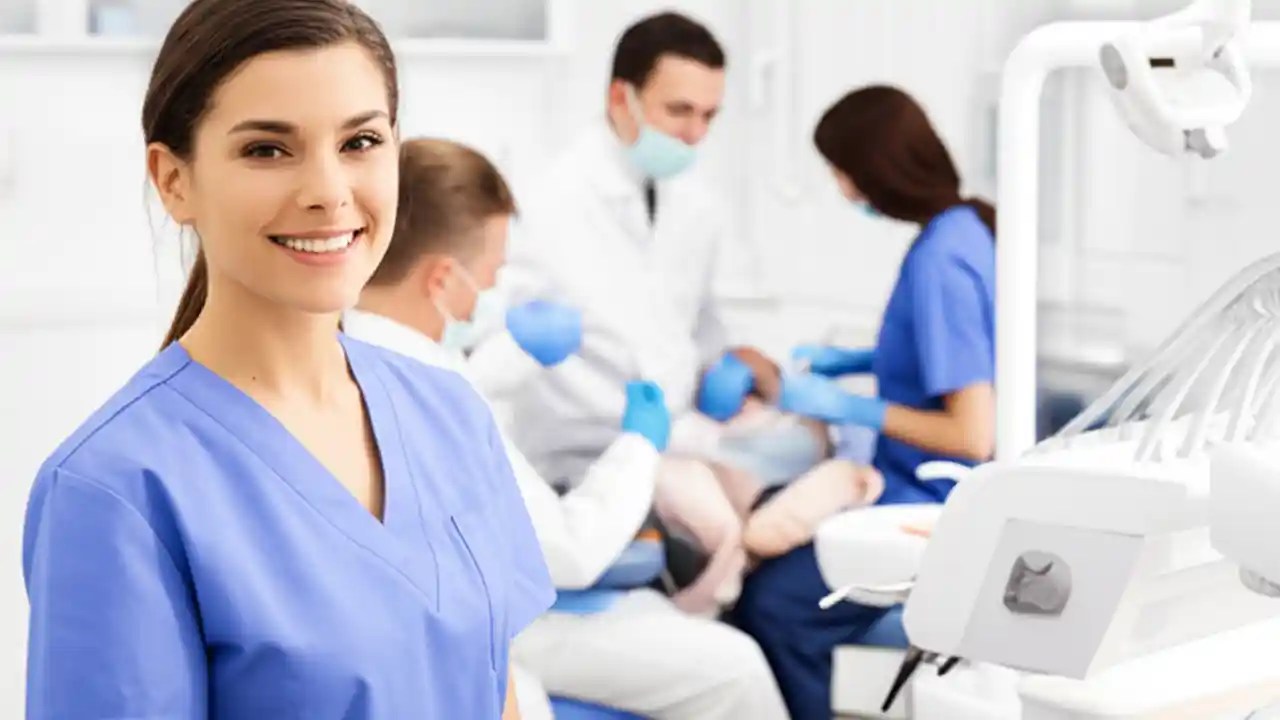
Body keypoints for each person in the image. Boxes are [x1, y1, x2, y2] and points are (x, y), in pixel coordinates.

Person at [21, 2, 552, 719]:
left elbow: (497, 692)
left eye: (361, 141)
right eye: (268, 150)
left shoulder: (449, 413)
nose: (329, 192)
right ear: (173, 179)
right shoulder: (115, 490)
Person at [344, 138, 790, 720]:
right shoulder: (437, 393)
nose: (497, 291)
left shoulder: (358, 348)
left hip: (433, 619)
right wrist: (639, 444)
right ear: (444, 280)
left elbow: (459, 393)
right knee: (737, 669)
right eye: (493, 274)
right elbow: (570, 552)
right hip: (497, 629)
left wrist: (517, 356)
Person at [500, 10, 782, 616]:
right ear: (620, 98)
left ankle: (722, 632)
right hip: (589, 447)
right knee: (718, 525)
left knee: (785, 472)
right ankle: (704, 644)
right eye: (678, 111)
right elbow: (510, 344)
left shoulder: (694, 203)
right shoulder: (550, 201)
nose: (694, 134)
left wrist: (728, 367)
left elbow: (698, 323)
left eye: (709, 116)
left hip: (673, 431)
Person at [733, 85, 997, 720]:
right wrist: (857, 364)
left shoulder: (942, 261)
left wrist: (850, 407)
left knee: (770, 604)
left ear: (875, 170)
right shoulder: (963, 230)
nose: (842, 188)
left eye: (841, 172)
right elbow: (950, 359)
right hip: (920, 492)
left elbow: (972, 434)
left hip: (930, 506)